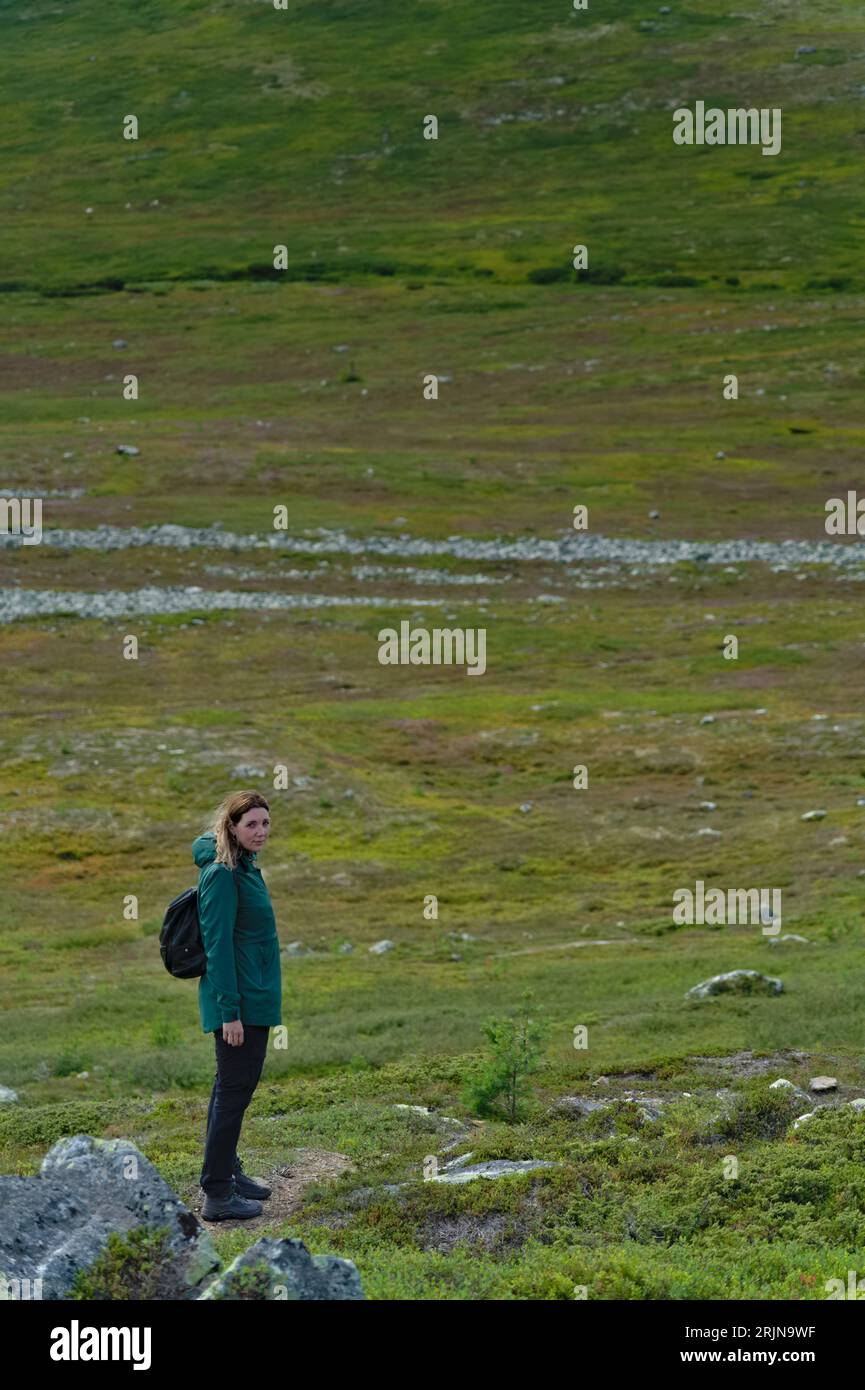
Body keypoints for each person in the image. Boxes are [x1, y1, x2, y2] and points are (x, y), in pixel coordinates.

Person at [195, 790, 282, 1221]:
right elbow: (217, 947)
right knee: (233, 1092)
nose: (261, 832)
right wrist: (230, 1011)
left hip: (253, 997)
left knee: (233, 1090)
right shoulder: (223, 875)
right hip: (238, 1005)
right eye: (251, 824)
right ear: (231, 827)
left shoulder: (244, 867)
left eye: (265, 823)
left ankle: (228, 1172)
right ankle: (216, 1193)